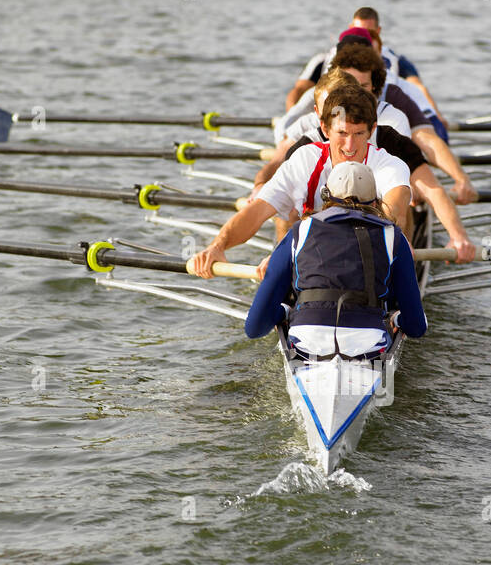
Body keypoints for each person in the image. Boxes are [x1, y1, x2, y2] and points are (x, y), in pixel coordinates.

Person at [189, 86, 409, 280]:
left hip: (370, 265)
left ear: (372, 130)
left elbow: (392, 213)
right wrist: (218, 246)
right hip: (313, 265)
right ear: (324, 128)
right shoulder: (305, 159)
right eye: (341, 133)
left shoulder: (390, 166)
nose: (350, 145)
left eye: (359, 133)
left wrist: (291, 254)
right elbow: (257, 211)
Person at [260, 68, 476, 263]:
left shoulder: (390, 135)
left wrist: (458, 237)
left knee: (402, 198)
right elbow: (278, 176)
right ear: (322, 118)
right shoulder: (307, 143)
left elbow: (432, 189)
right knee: (288, 207)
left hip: (376, 219)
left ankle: (397, 258)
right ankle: (287, 264)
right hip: (320, 227)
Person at [243, 161, 426, 362]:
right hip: (368, 346)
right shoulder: (394, 236)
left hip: (306, 342)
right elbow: (416, 327)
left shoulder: (299, 231)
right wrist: (397, 318)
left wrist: (283, 311)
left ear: (325, 198)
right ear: (375, 202)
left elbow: (254, 328)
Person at [279, 39, 476, 206]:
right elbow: (286, 129)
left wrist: (459, 180)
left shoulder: (394, 108)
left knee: (401, 191)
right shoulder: (319, 102)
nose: (355, 91)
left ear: (374, 85)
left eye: (362, 85)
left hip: (380, 187)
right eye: (348, 84)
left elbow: (422, 144)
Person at [287, 7, 444, 133]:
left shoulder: (396, 61)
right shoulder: (323, 60)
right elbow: (299, 89)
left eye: (369, 33)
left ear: (378, 32)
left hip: (381, 117)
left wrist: (437, 116)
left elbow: (418, 87)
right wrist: (291, 117)